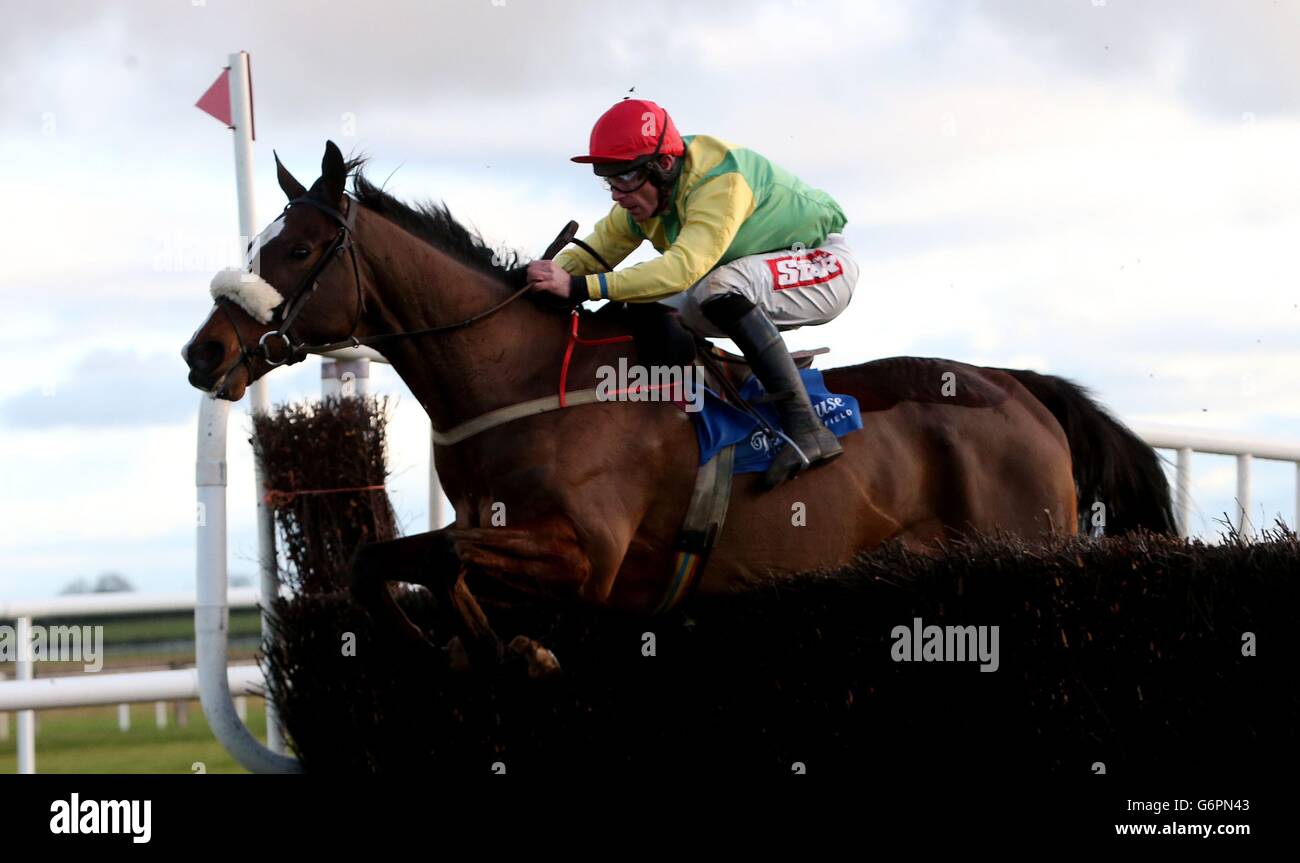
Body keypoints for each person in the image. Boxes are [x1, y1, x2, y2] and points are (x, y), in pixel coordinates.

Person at [527, 98, 859, 488]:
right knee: (641, 302)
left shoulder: (719, 181)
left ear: (664, 165)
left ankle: (806, 426)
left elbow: (681, 270)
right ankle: (684, 415)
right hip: (748, 273)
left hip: (822, 265)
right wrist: (535, 281)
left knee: (714, 288)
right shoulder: (644, 198)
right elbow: (592, 256)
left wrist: (582, 287)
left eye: (626, 177)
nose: (616, 194)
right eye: (609, 179)